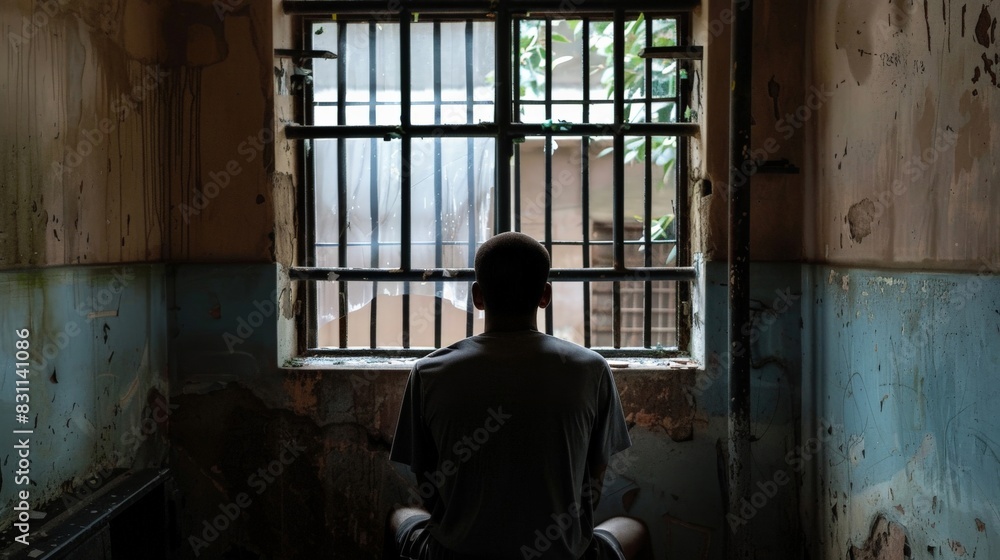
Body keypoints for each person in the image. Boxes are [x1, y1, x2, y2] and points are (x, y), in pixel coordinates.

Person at [387, 232, 648, 560]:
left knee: (399, 518)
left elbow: (428, 489)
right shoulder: (591, 369)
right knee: (633, 527)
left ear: (478, 296)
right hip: (563, 554)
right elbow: (591, 491)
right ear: (545, 296)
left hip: (456, 554)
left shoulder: (428, 372)